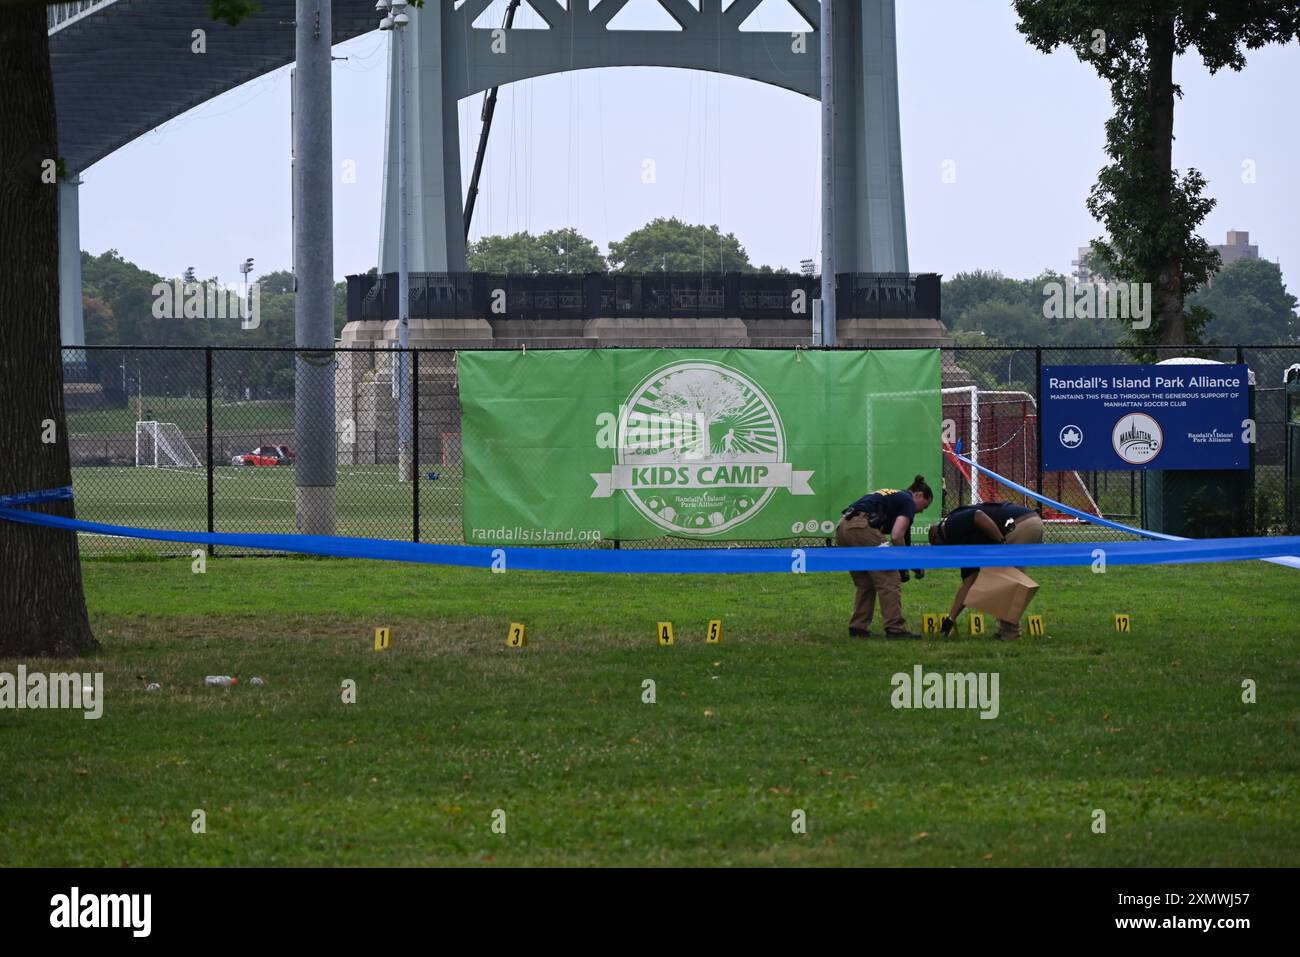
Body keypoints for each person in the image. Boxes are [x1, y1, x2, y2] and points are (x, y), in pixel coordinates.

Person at [834, 475, 934, 639]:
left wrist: (911, 564)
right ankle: (895, 629)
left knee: (866, 582)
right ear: (919, 495)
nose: (922, 511)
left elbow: (904, 539)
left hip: (843, 527)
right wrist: (904, 564)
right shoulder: (908, 501)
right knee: (889, 578)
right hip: (861, 527)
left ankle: (858, 627)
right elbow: (896, 535)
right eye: (925, 506)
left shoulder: (895, 496)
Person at [928, 501, 1044, 640]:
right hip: (1030, 522)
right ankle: (1006, 631)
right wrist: (951, 618)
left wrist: (1001, 544)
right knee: (1007, 580)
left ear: (937, 538)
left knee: (1005, 581)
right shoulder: (963, 542)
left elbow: (978, 515)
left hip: (1018, 524)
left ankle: (1009, 634)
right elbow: (969, 584)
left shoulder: (949, 526)